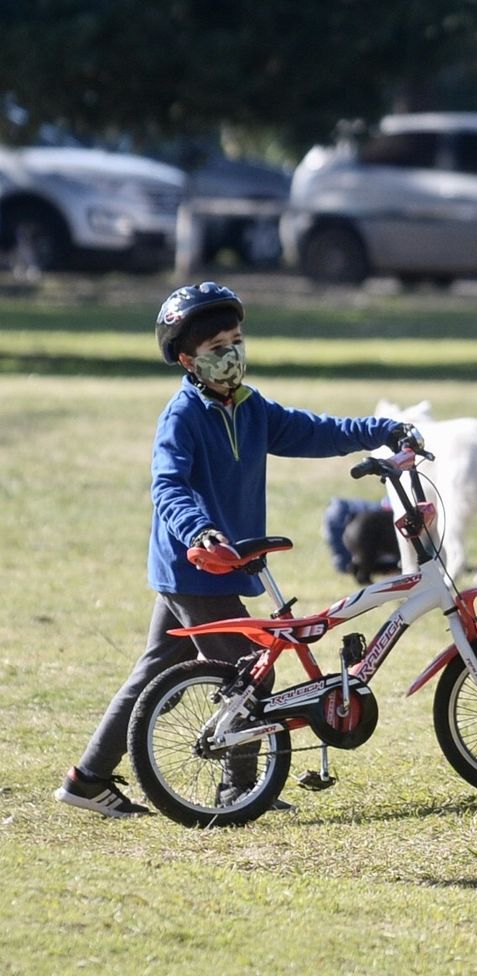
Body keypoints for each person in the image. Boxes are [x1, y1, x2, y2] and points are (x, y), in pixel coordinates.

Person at [55, 281, 414, 818]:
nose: (232, 354)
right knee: (250, 670)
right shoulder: (183, 416)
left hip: (222, 566)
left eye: (237, 340)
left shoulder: (250, 407)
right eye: (217, 347)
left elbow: (315, 431)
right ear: (187, 360)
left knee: (156, 672)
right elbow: (168, 486)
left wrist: (380, 429)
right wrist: (200, 532)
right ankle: (239, 790)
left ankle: (86, 779)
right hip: (196, 566)